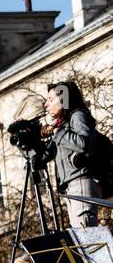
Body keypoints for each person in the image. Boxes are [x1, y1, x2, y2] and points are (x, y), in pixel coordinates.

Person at [42, 80, 107, 229]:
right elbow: (45, 156)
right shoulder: (63, 126)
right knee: (80, 237)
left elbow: (84, 142)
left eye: (50, 99)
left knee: (86, 236)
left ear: (64, 99)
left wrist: (57, 132)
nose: (46, 104)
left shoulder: (78, 116)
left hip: (81, 181)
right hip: (71, 186)